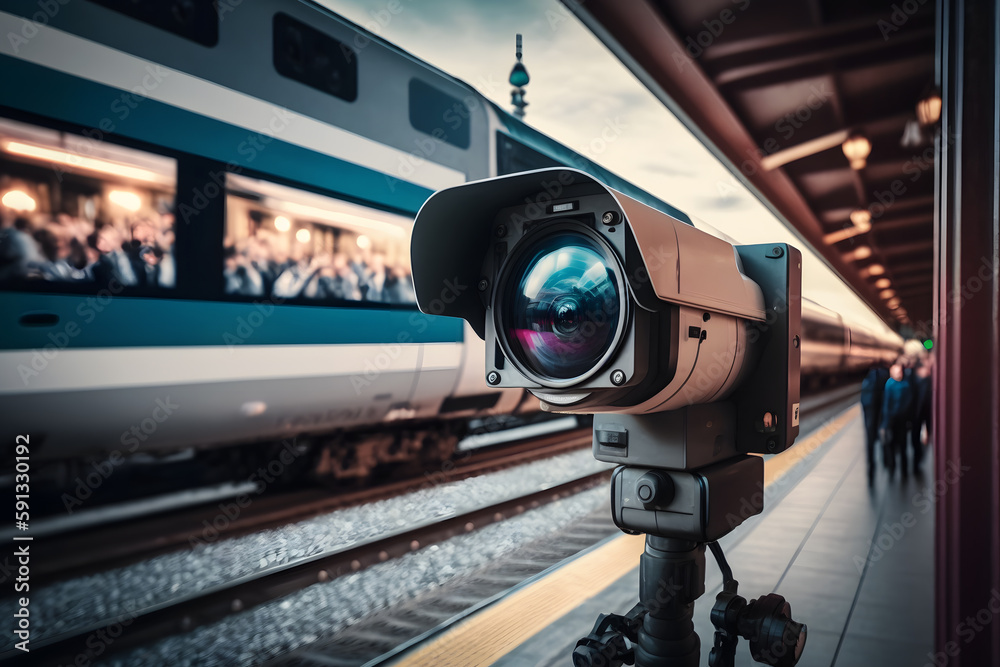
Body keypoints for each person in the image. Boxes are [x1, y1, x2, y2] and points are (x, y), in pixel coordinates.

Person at [880, 363, 913, 476]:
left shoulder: (891, 384)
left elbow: (886, 405)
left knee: (896, 445)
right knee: (900, 445)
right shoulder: (902, 385)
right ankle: (900, 470)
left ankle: (894, 469)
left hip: (896, 420)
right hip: (897, 420)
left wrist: (885, 423)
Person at [860, 362, 890, 478]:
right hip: (877, 410)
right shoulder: (884, 373)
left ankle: (872, 464)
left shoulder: (868, 376)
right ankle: (885, 461)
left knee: (871, 438)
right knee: (882, 433)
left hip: (871, 411)